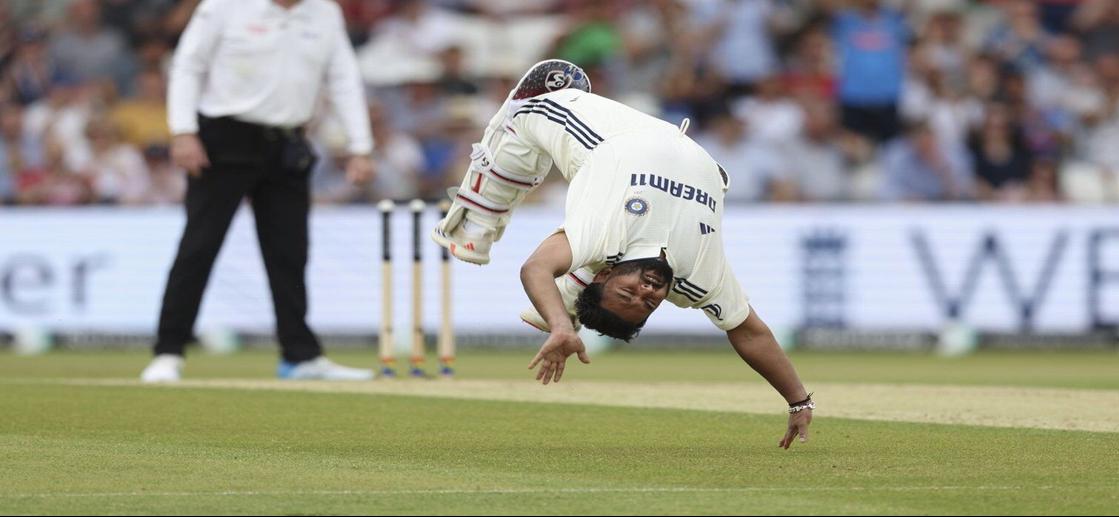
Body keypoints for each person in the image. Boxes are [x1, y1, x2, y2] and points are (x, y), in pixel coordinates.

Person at [432, 60, 815, 449]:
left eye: (628, 292)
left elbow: (536, 267)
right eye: (648, 303)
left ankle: (476, 222)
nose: (646, 291)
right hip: (699, 158)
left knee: (523, 113)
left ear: (605, 275)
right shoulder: (699, 278)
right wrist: (798, 400)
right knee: (602, 267)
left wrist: (561, 326)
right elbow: (749, 333)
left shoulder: (602, 236)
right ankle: (569, 296)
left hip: (611, 136)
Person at [141, 0, 376, 383]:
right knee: (199, 246)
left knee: (290, 253)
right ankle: (168, 351)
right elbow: (187, 65)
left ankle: (300, 356)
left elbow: (343, 79)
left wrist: (360, 146)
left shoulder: (324, 12)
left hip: (288, 142)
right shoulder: (224, 6)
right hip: (223, 138)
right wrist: (183, 131)